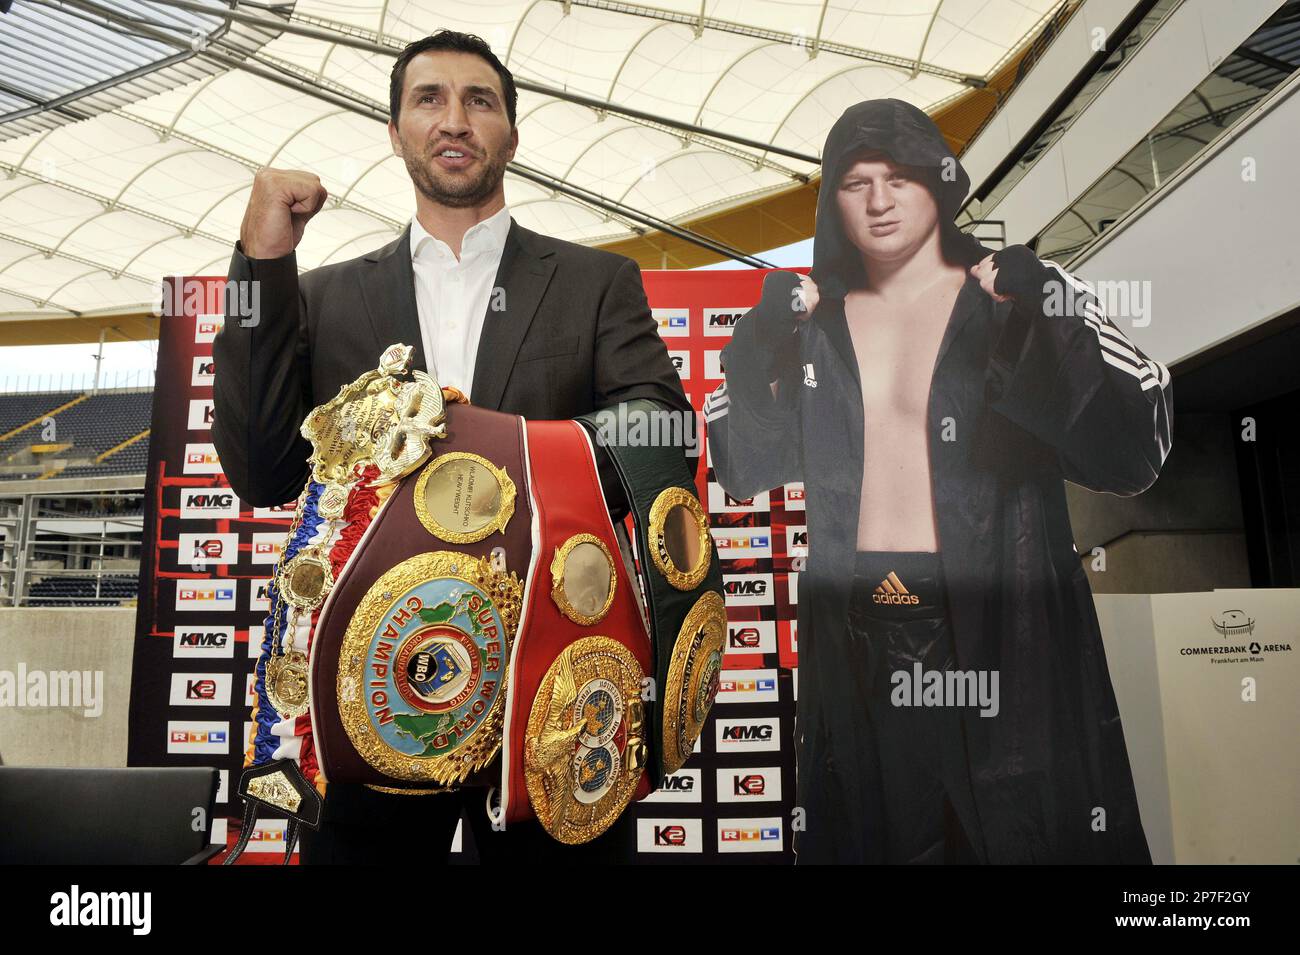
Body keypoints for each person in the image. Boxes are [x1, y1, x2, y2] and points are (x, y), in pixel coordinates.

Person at [212, 29, 690, 864]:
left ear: (510, 131)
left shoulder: (595, 282)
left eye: (480, 101)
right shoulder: (323, 295)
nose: (455, 119)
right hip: (374, 694)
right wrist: (262, 266)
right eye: (428, 99)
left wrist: (494, 448)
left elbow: (660, 432)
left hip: (556, 688)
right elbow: (260, 470)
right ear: (395, 133)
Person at [704, 98, 1171, 864]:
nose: (879, 201)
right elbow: (745, 467)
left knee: (1026, 836)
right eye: (857, 182)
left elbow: (1136, 448)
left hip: (1001, 631)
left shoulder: (1009, 300)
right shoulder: (813, 325)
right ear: (832, 197)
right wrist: (756, 349)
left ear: (940, 185)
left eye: (900, 177)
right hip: (855, 636)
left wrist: (1049, 307)